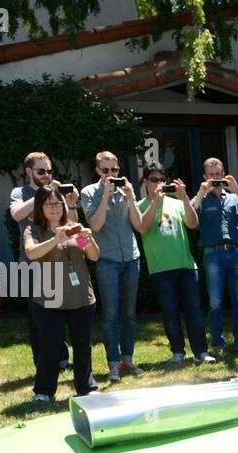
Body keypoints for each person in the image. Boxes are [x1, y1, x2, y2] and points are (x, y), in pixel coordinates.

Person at [24, 184, 100, 402]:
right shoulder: (34, 230)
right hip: (49, 299)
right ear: (40, 207)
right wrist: (55, 239)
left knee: (83, 344)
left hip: (81, 298)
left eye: (58, 203)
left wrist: (89, 238)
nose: (54, 208)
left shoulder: (75, 226)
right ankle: (44, 391)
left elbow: (93, 256)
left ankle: (86, 387)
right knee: (51, 344)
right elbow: (31, 253)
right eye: (48, 204)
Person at [136, 165, 213, 365]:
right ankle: (178, 352)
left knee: (194, 312)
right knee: (170, 313)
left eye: (162, 179)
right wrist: (155, 202)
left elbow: (193, 223)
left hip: (186, 266)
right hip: (160, 268)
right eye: (154, 179)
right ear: (145, 181)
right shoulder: (139, 206)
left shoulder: (177, 203)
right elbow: (143, 227)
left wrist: (184, 197)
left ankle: (201, 353)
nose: (159, 183)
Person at [80, 151, 143, 381]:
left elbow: (138, 225)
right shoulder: (89, 193)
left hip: (131, 258)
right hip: (107, 260)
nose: (110, 174)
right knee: (110, 315)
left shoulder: (126, 190)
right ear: (97, 171)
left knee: (129, 314)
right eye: (105, 170)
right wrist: (106, 196)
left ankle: (127, 359)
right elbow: (94, 226)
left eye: (114, 170)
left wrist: (131, 198)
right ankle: (113, 363)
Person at [11, 152, 73, 369]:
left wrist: (67, 200)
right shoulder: (19, 192)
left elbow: (70, 222)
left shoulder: (55, 193)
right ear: (29, 171)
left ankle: (63, 358)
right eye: (41, 171)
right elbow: (17, 214)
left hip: (58, 261)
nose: (46, 175)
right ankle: (42, 362)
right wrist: (41, 194)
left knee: (60, 311)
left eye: (49, 171)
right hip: (32, 264)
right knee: (37, 317)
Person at [193, 157, 238, 357]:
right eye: (211, 175)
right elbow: (189, 215)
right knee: (215, 302)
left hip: (236, 252)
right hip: (213, 253)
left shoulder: (233, 196)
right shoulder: (203, 198)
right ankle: (217, 343)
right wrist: (201, 192)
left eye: (218, 175)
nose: (216, 179)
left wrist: (237, 190)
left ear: (224, 174)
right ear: (204, 177)